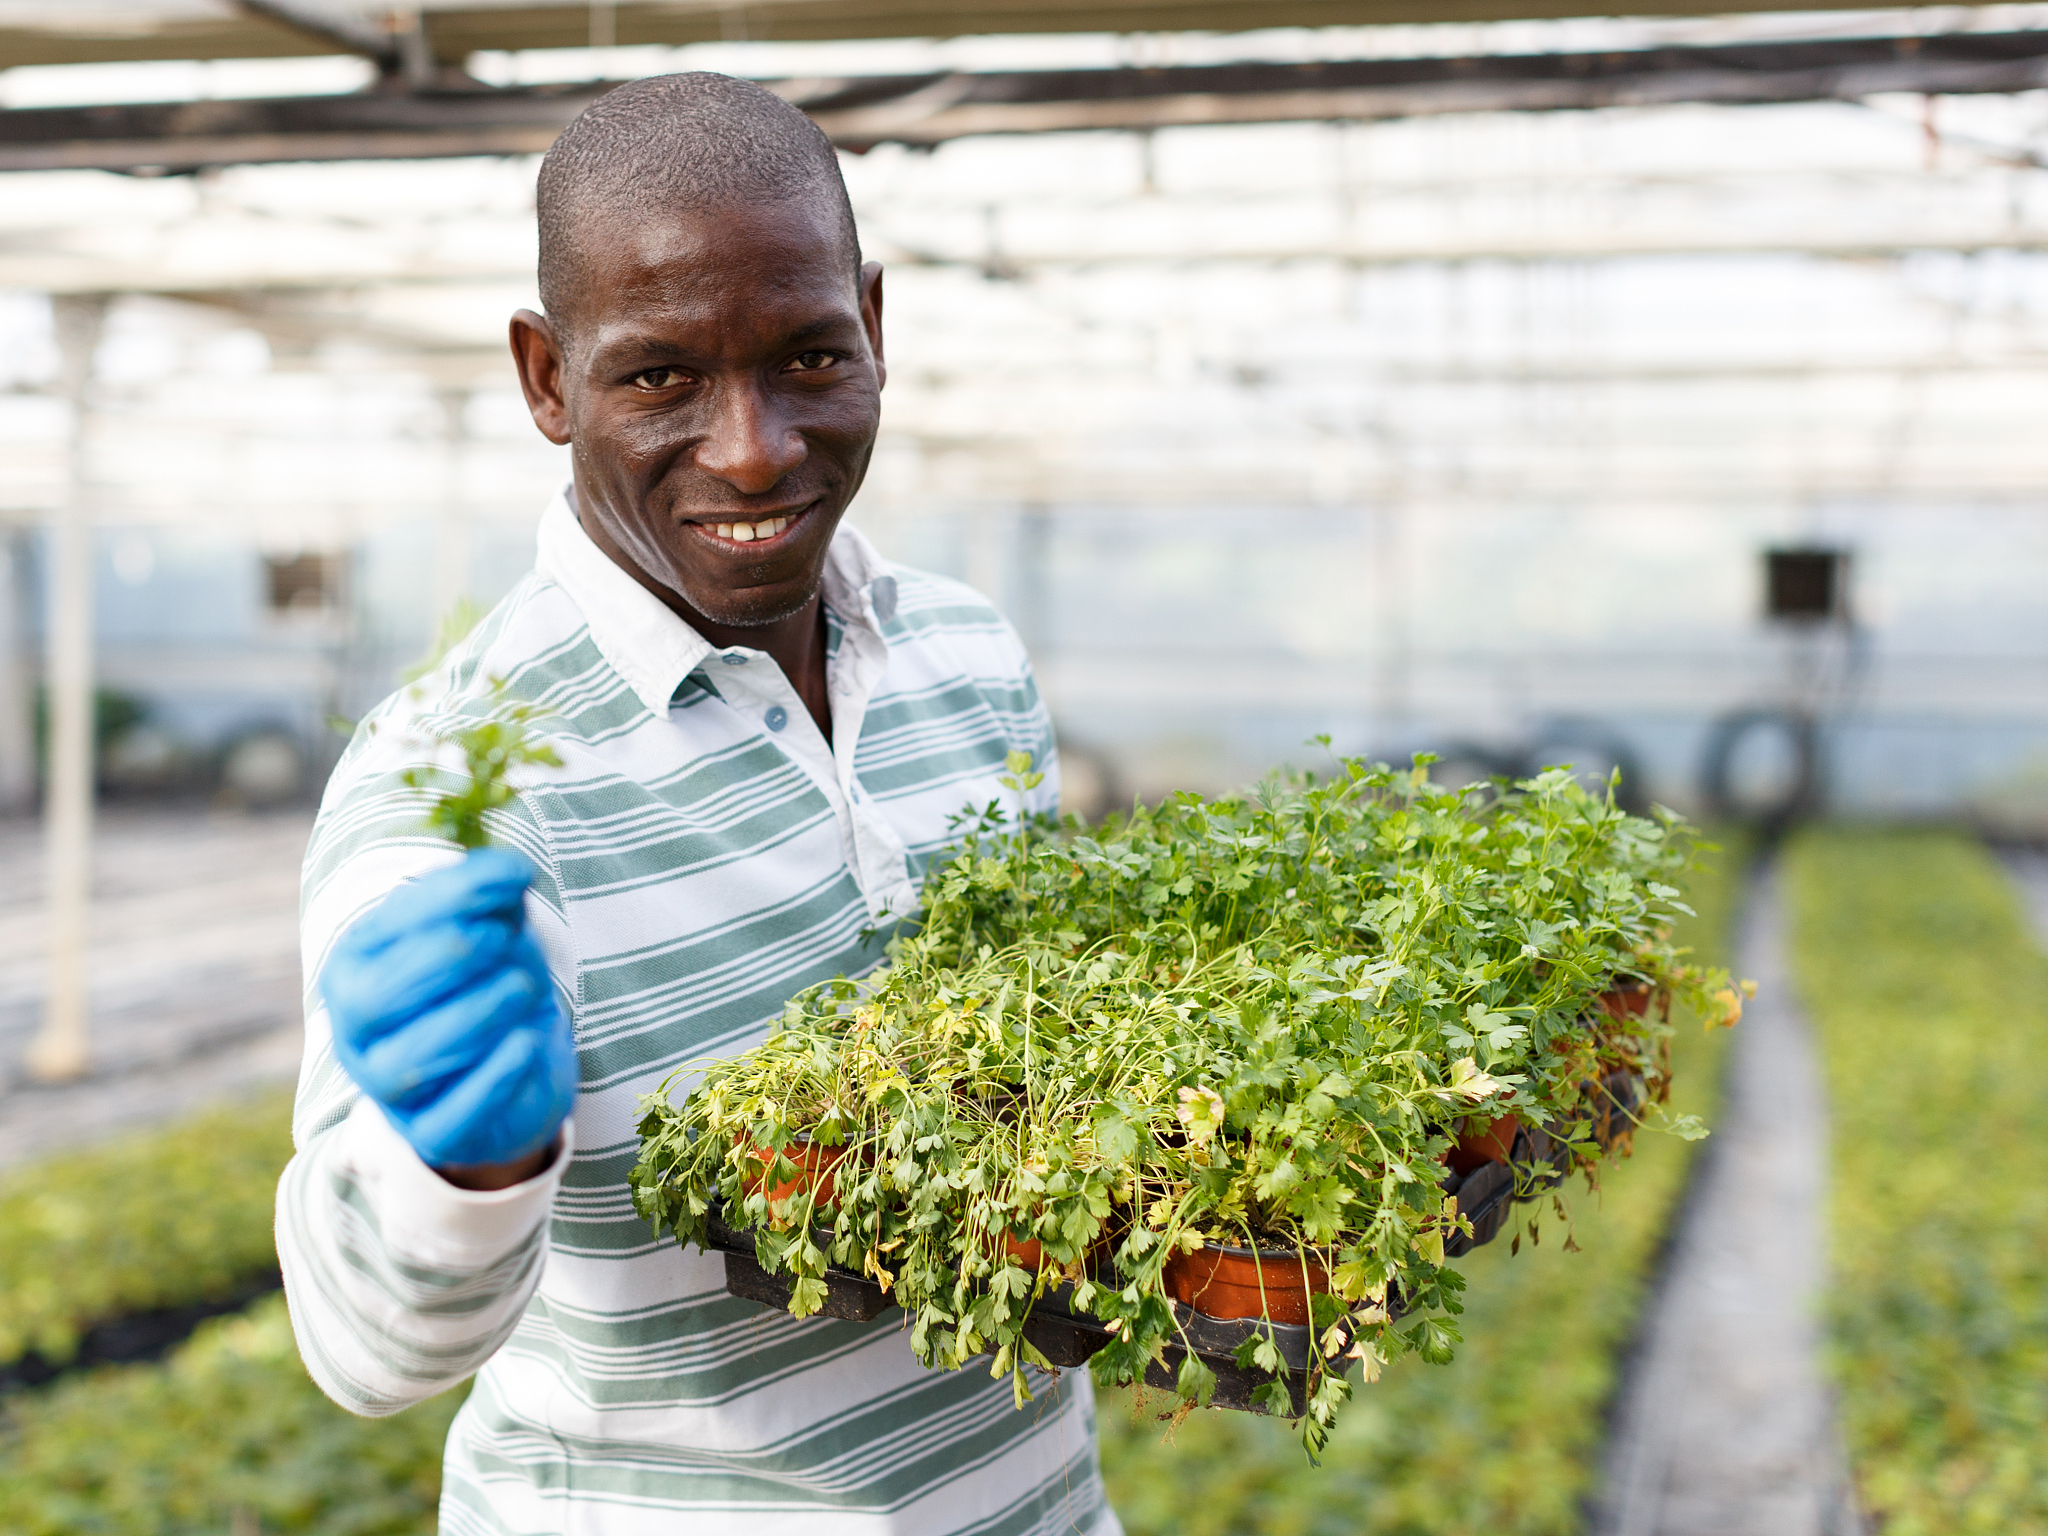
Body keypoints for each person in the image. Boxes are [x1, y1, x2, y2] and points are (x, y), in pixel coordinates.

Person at [277, 72, 1119, 1535]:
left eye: (808, 357)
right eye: (660, 375)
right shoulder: (455, 798)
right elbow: (363, 1351)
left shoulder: (966, 659)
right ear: (548, 379)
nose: (753, 449)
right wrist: (462, 1162)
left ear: (873, 325)